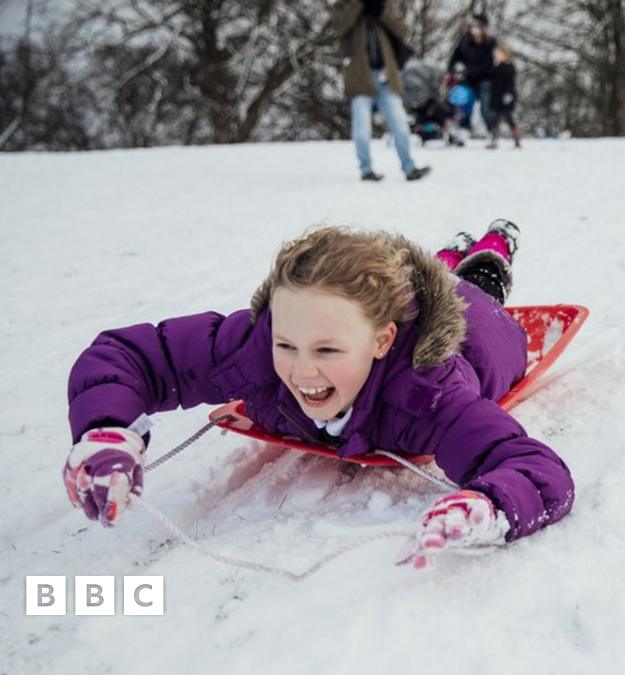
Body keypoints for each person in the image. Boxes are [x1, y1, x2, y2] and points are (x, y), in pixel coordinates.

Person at [62, 221, 573, 570]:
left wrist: (490, 506)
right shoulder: (256, 345)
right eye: (287, 343)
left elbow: (530, 466)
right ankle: (440, 258)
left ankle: (493, 244)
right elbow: (134, 355)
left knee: (475, 280)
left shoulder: (427, 392)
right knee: (421, 271)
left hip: (482, 325)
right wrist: (107, 429)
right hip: (383, 299)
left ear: (382, 341)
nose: (301, 369)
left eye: (327, 349)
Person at [331, 0, 430, 182]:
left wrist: (382, 11)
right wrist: (358, 5)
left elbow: (402, 31)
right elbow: (339, 26)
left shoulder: (383, 4)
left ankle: (409, 168)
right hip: (359, 78)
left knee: (400, 125)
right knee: (361, 130)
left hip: (386, 77)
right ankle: (366, 170)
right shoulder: (344, 5)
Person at [448, 14, 498, 137]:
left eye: (478, 27)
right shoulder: (465, 42)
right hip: (469, 81)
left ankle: (491, 130)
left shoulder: (491, 43)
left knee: (486, 108)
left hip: (486, 79)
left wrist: (469, 71)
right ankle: (463, 128)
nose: (474, 30)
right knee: (462, 98)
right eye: (473, 27)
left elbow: (488, 64)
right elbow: (454, 58)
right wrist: (452, 70)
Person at [488, 43, 522, 149]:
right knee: (495, 119)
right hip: (496, 97)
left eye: (498, 53)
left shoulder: (509, 67)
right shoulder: (495, 67)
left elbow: (510, 83)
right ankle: (493, 140)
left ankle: (517, 140)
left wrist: (508, 94)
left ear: (504, 54)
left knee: (509, 118)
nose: (496, 55)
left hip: (506, 96)